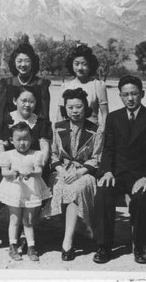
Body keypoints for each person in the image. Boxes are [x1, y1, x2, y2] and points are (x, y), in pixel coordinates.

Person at [93, 75, 146, 265]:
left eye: (134, 93)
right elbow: (108, 149)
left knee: (142, 199)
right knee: (102, 193)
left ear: (142, 94)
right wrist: (107, 171)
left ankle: (140, 247)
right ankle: (104, 246)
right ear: (120, 96)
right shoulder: (113, 117)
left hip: (141, 176)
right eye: (125, 95)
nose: (130, 98)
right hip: (117, 174)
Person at [48, 88, 103, 261]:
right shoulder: (57, 128)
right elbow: (53, 155)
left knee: (76, 188)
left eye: (78, 106)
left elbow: (97, 157)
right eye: (70, 107)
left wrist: (80, 172)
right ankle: (71, 233)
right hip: (62, 170)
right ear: (65, 108)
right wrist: (61, 171)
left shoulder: (96, 130)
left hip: (85, 172)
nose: (74, 110)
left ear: (86, 107)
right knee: (60, 185)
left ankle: (67, 242)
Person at [0, 122, 51, 262]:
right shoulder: (7, 155)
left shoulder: (36, 154)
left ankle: (31, 247)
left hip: (31, 190)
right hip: (14, 189)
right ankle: (13, 245)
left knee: (29, 221)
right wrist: (14, 172)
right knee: (14, 219)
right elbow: (4, 172)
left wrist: (31, 172)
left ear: (31, 139)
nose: (22, 143)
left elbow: (39, 171)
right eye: (18, 140)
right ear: (11, 140)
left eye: (26, 139)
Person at [57, 45, 109, 130]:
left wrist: (102, 133)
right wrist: (60, 133)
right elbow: (60, 115)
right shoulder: (65, 86)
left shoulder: (98, 85)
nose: (80, 68)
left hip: (92, 133)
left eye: (84, 64)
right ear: (71, 64)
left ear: (90, 65)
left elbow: (105, 114)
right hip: (69, 134)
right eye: (76, 64)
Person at [0, 43, 50, 122]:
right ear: (14, 62)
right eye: (19, 61)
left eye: (27, 61)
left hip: (35, 129)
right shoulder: (6, 84)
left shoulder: (41, 84)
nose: (23, 64)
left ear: (33, 62)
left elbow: (44, 115)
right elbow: (1, 115)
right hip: (10, 130)